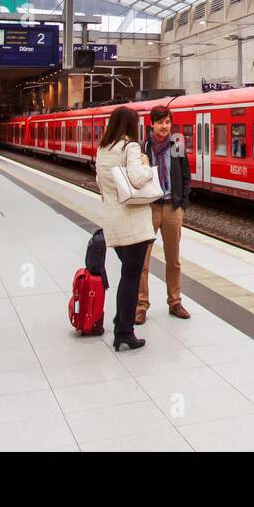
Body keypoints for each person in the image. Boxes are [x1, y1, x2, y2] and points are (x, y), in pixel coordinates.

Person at [94, 107, 156, 350]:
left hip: (113, 221)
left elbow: (100, 183)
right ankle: (124, 331)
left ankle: (121, 319)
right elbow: (139, 179)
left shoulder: (102, 149)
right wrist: (146, 165)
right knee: (131, 277)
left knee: (126, 274)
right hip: (133, 223)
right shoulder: (130, 147)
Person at [137, 105, 191, 323]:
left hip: (171, 206)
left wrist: (182, 204)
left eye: (168, 122)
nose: (165, 127)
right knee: (143, 261)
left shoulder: (176, 145)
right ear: (152, 124)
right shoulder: (143, 147)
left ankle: (175, 301)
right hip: (149, 207)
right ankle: (141, 305)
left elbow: (186, 175)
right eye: (160, 122)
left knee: (174, 260)